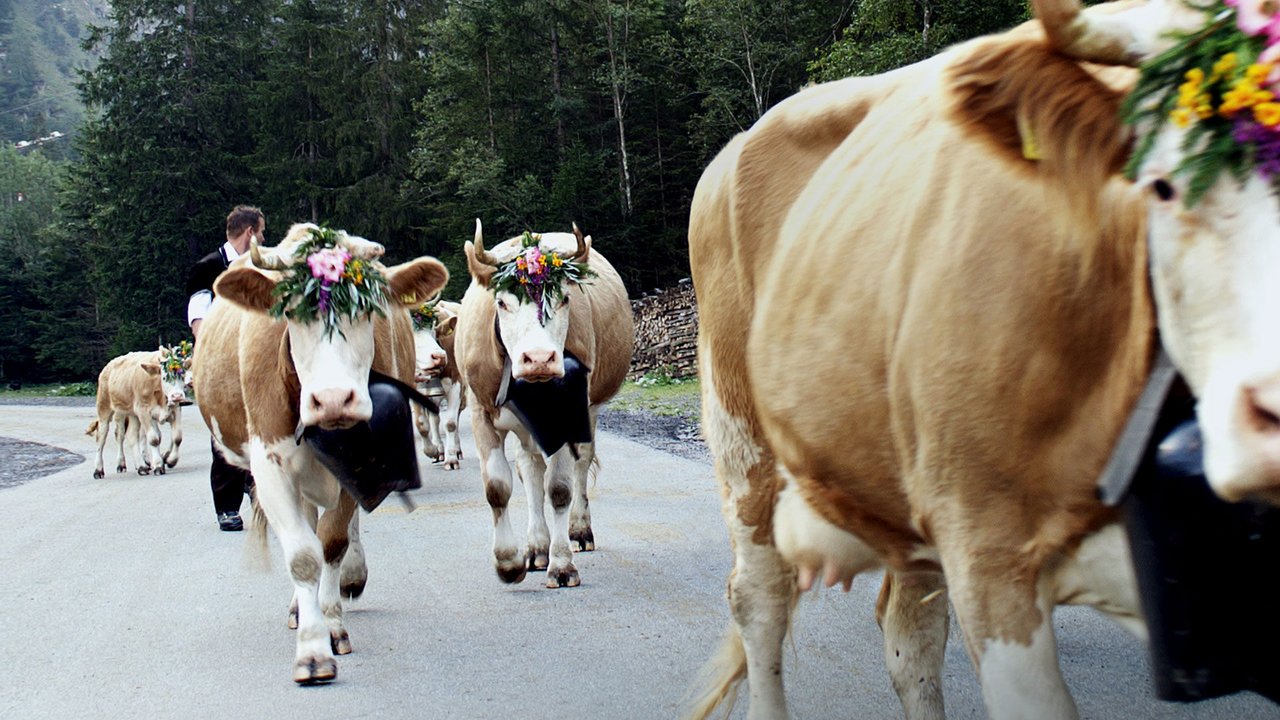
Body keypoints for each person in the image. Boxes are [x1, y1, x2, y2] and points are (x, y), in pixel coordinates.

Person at [185, 205, 264, 531]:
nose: (262, 238)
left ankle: (262, 493)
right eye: (261, 232)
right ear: (249, 233)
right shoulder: (208, 267)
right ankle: (227, 508)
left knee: (266, 430)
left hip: (259, 359)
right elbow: (199, 317)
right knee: (226, 433)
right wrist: (209, 356)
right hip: (223, 363)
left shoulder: (262, 265)